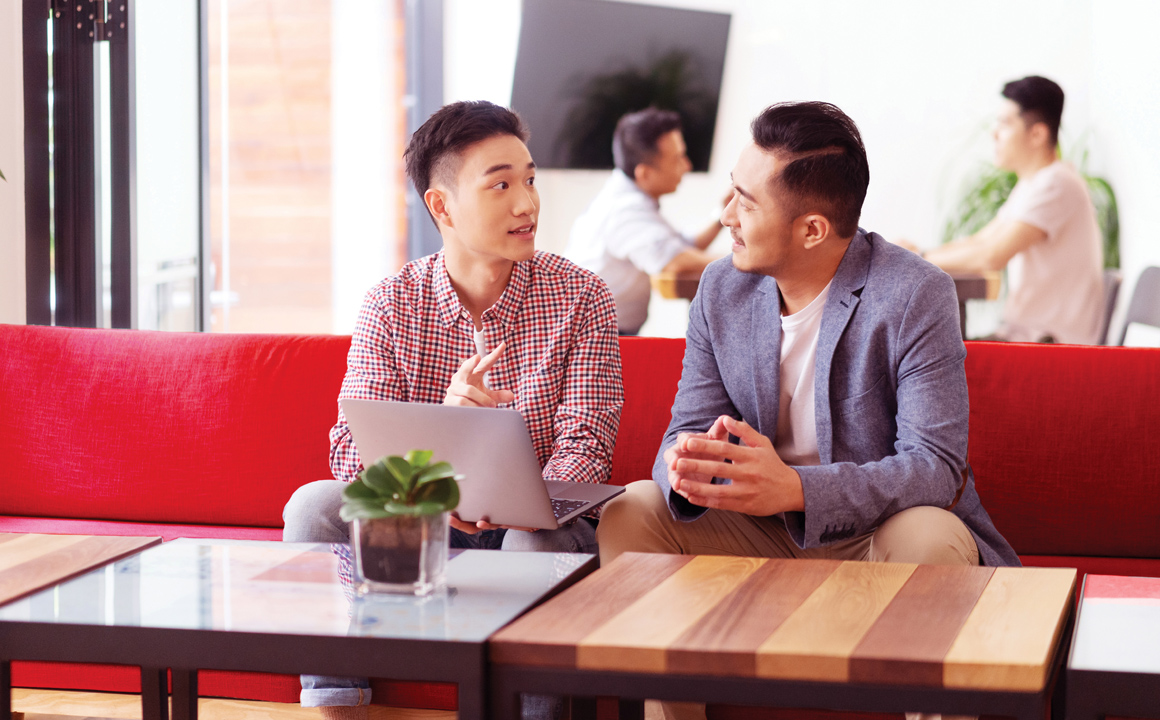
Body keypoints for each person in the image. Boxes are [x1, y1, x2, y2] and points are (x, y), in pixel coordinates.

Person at [596, 101, 1017, 720]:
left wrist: (795, 488)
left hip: (876, 534)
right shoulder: (722, 288)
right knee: (632, 509)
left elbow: (935, 467)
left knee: (930, 534)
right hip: (755, 529)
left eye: (745, 201)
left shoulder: (913, 293)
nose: (725, 216)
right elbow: (683, 427)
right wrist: (690, 462)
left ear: (812, 229)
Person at [282, 100, 624, 720]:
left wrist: (511, 491)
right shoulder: (391, 302)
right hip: (419, 521)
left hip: (537, 526)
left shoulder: (581, 295)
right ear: (441, 206)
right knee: (312, 506)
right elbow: (351, 451)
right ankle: (336, 707)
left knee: (535, 536)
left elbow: (586, 447)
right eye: (500, 185)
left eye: (529, 179)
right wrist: (440, 462)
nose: (527, 203)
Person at [897, 76, 1104, 344]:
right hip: (1031, 339)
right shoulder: (1033, 184)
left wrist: (917, 258)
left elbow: (991, 256)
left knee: (935, 359)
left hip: (1050, 348)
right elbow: (981, 241)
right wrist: (918, 254)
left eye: (1005, 123)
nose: (994, 133)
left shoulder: (1056, 184)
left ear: (1038, 134)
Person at [564, 107, 727, 335]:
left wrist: (721, 217)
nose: (687, 166)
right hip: (592, 338)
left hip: (607, 332)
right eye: (678, 158)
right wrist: (745, 259)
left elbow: (682, 247)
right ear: (645, 174)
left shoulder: (629, 197)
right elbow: (676, 261)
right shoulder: (625, 211)